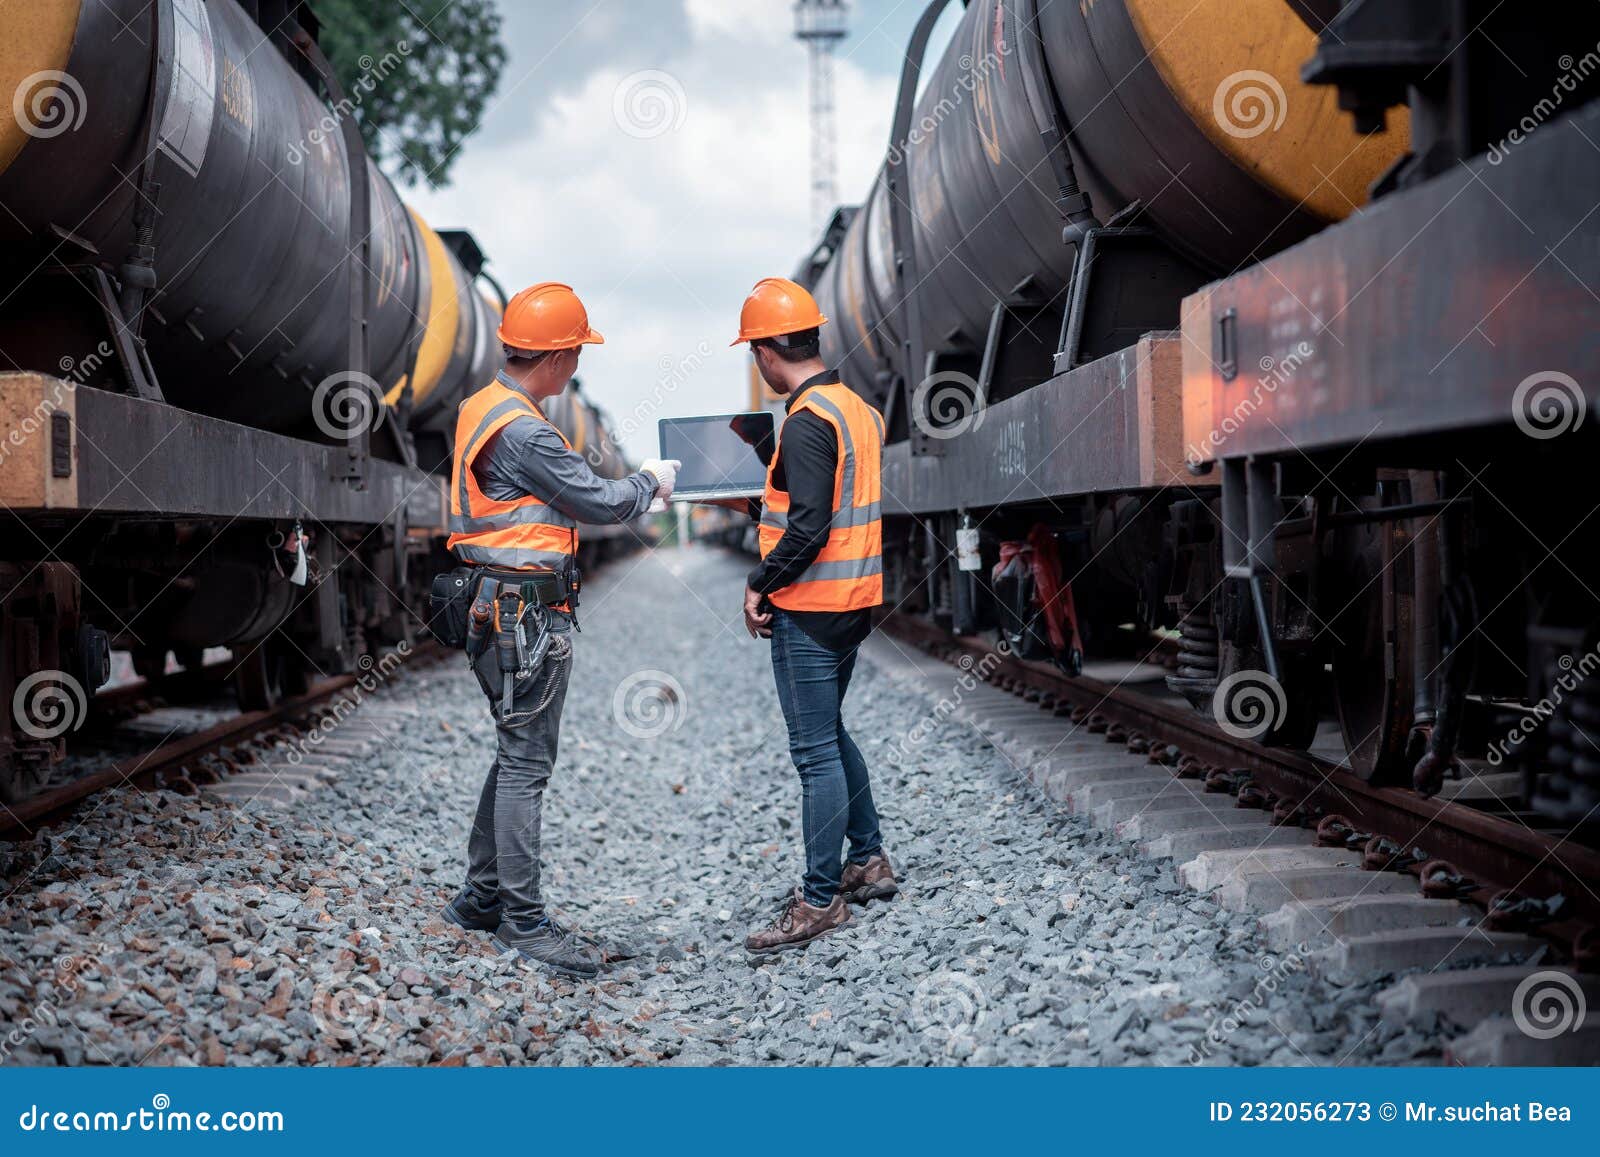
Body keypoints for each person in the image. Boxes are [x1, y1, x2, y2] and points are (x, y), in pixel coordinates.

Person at [439, 281, 679, 978]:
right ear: (556, 357)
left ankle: (482, 899)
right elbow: (600, 500)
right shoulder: (524, 428)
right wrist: (652, 482)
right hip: (524, 613)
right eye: (575, 352)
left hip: (494, 605)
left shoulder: (481, 409)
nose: (577, 366)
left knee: (512, 752)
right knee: (524, 763)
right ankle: (524, 920)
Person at [729, 277, 899, 956]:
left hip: (810, 605)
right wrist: (751, 508)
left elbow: (807, 528)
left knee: (813, 752)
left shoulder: (804, 421)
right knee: (830, 731)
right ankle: (869, 858)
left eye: (754, 351)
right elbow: (818, 504)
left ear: (771, 350)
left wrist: (759, 584)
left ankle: (821, 897)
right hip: (854, 600)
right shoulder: (854, 408)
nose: (756, 365)